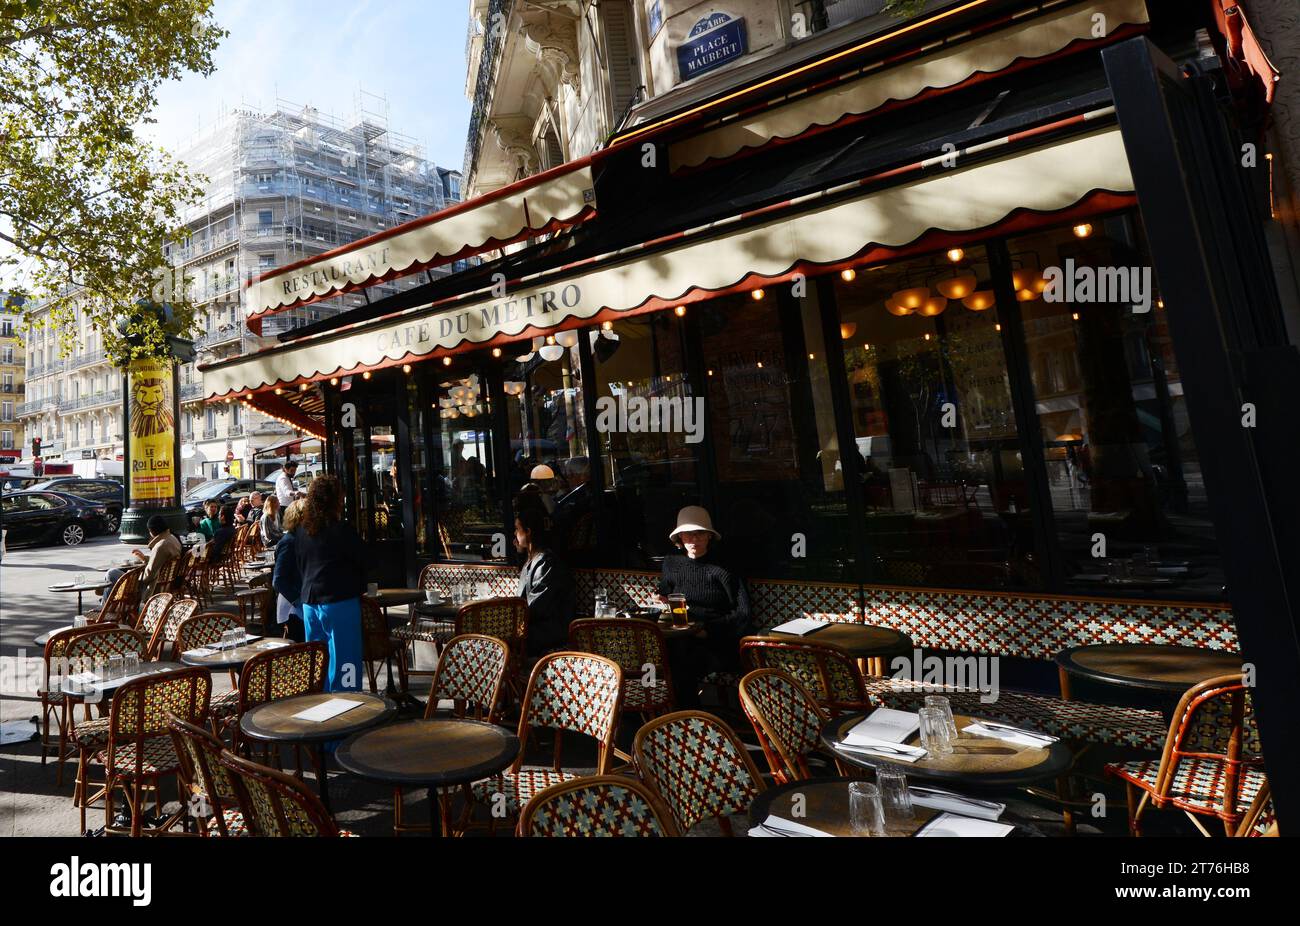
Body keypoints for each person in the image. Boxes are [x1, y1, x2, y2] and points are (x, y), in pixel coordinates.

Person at [658, 506, 752, 708]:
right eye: (688, 534)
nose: (694, 539)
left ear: (709, 536)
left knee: (682, 665)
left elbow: (743, 614)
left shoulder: (724, 567)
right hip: (680, 637)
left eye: (700, 533)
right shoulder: (671, 563)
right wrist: (661, 599)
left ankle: (691, 723)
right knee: (661, 657)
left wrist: (708, 631)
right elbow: (665, 592)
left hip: (718, 641)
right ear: (679, 539)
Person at [294, 474, 365, 692]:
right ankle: (349, 706)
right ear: (336, 500)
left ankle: (321, 707)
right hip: (339, 601)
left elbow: (299, 565)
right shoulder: (341, 530)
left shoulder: (301, 532)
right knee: (346, 661)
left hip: (309, 603)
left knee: (318, 662)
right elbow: (366, 559)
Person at [514, 504, 574, 656]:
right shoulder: (531, 561)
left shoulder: (546, 563)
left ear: (528, 532)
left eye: (517, 529)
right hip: (534, 628)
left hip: (547, 633)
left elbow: (536, 608)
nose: (515, 534)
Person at [105, 515, 181, 599]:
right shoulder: (172, 538)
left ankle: (105, 607)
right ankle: (107, 603)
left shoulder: (160, 546)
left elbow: (148, 576)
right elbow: (160, 562)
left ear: (152, 531)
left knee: (111, 573)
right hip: (165, 584)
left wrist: (132, 575)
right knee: (112, 579)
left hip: (153, 588)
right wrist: (144, 558)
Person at [271, 500, 305, 642]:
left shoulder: (300, 539)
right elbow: (278, 580)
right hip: (293, 608)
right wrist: (298, 600)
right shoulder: (289, 542)